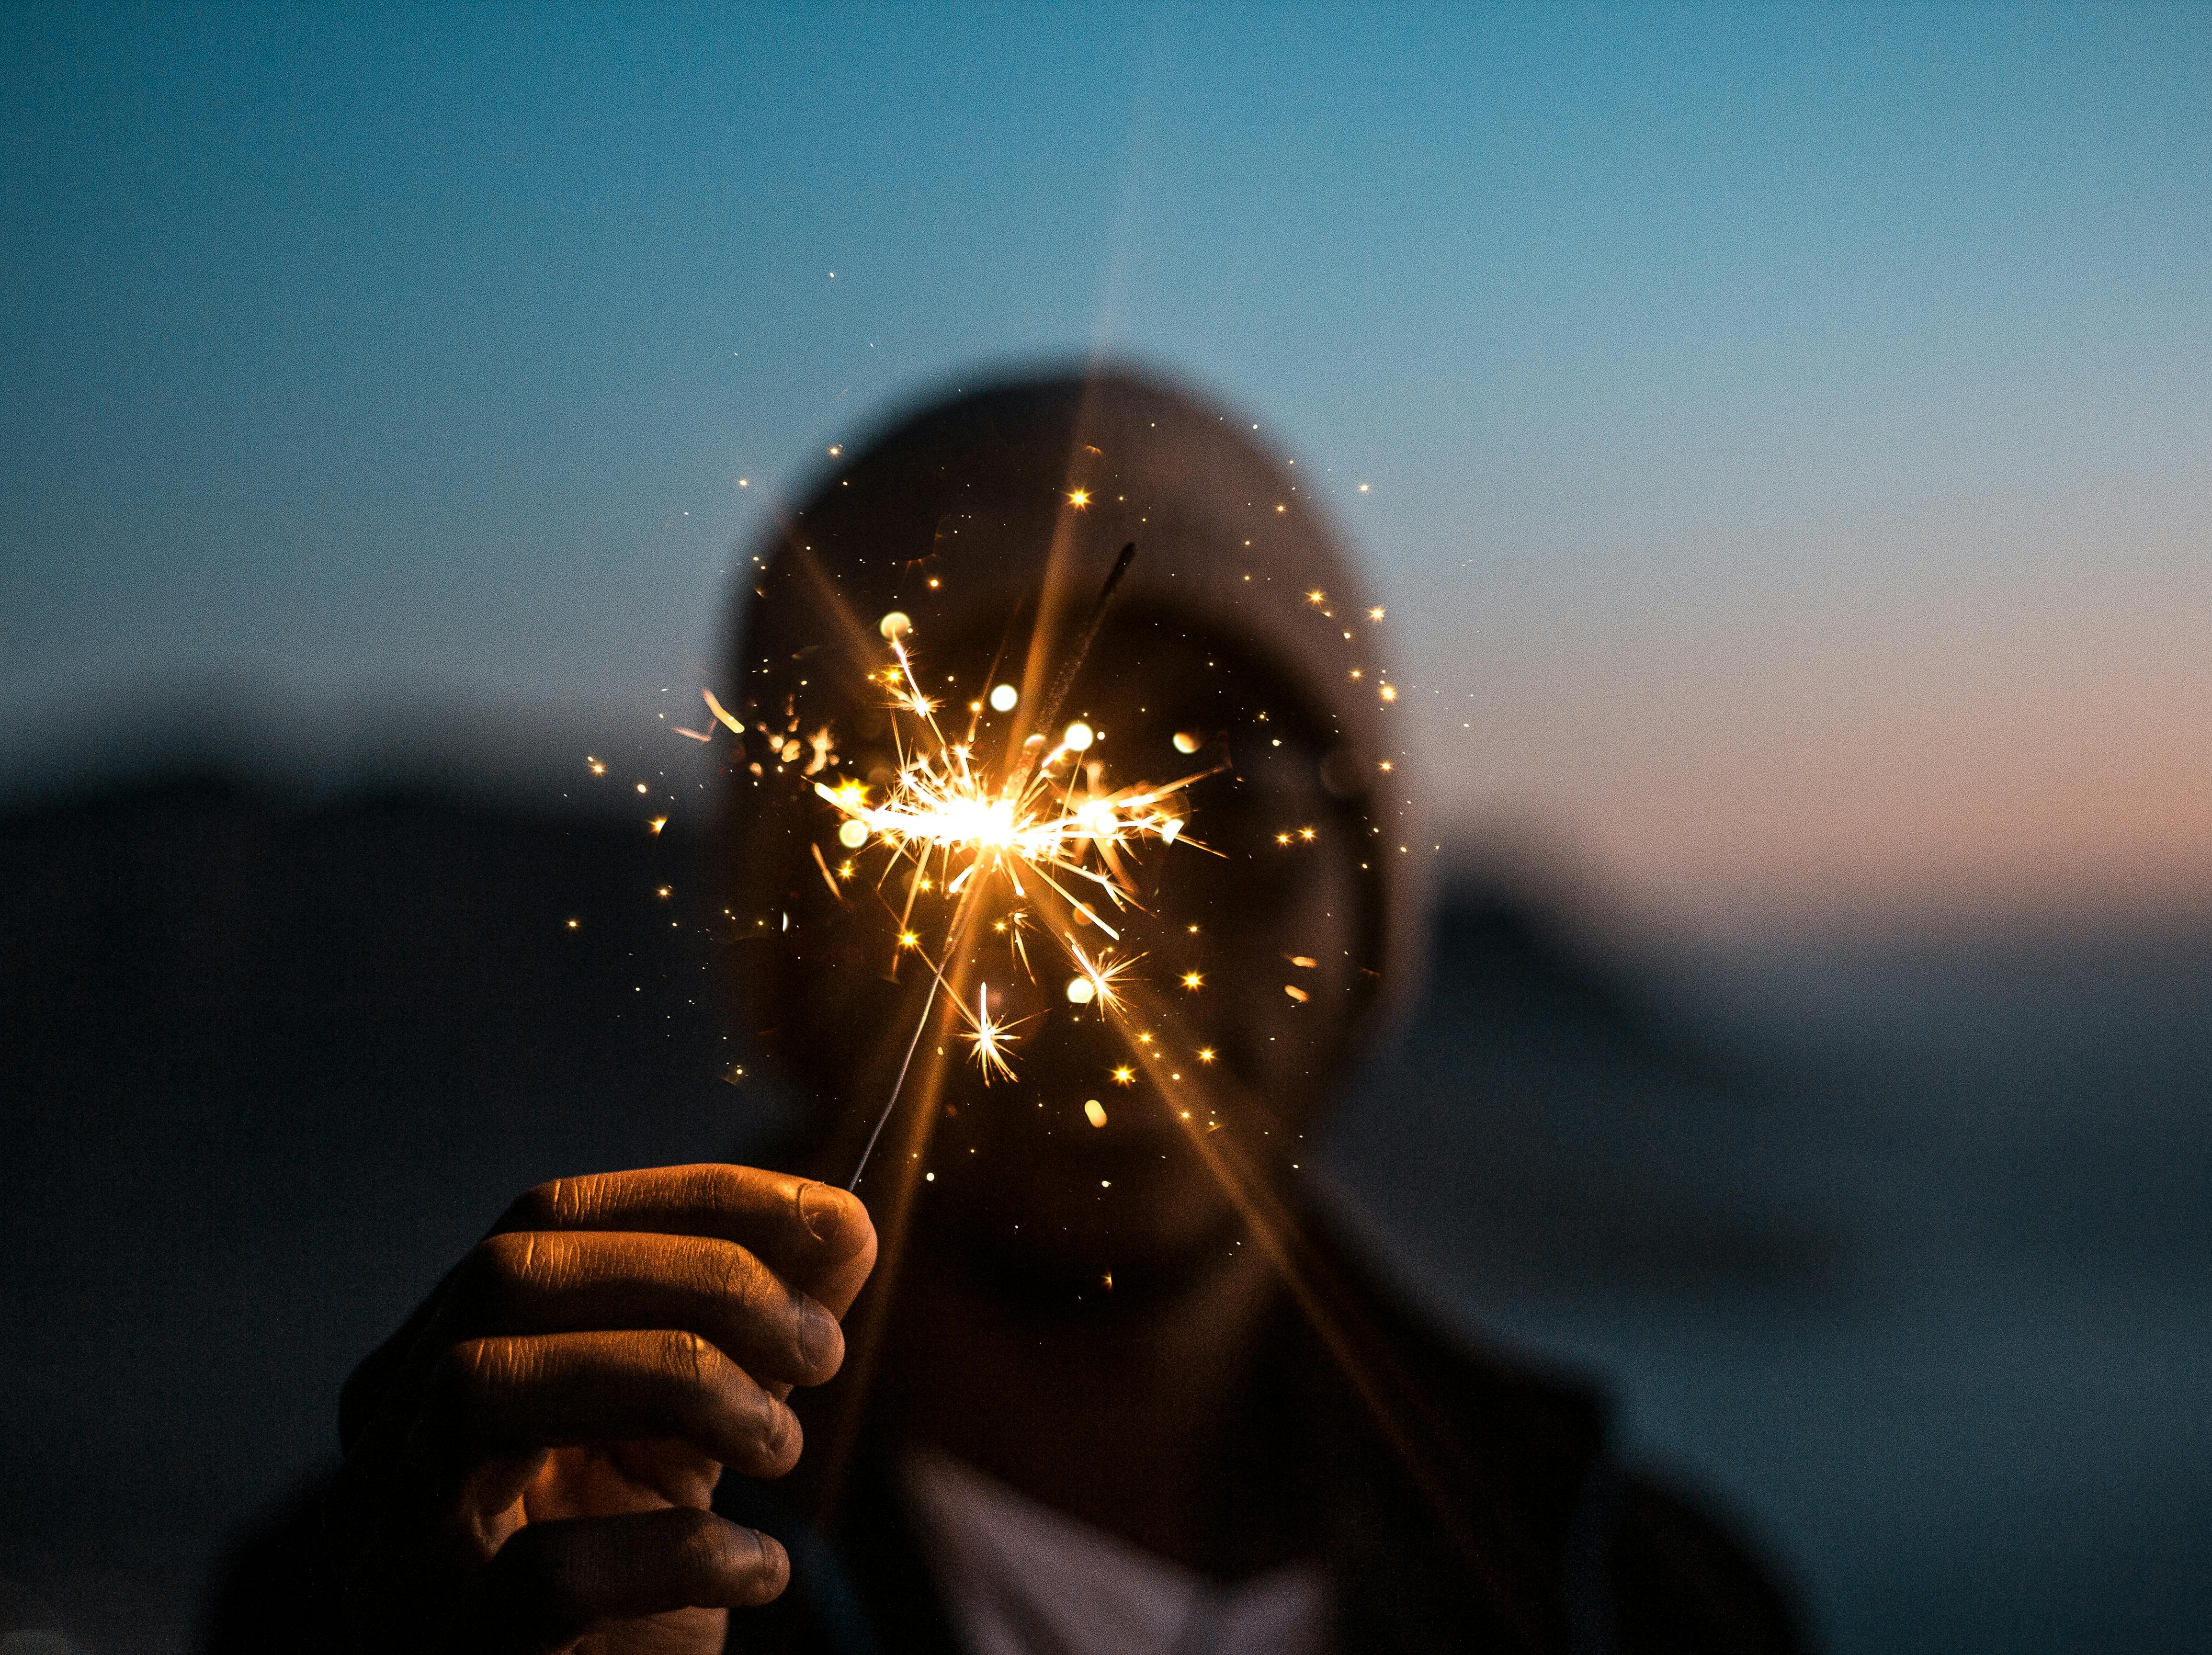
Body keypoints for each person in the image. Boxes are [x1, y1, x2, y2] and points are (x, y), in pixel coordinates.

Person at [213, 368, 1805, 1654]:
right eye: (945, 790)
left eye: (1223, 806)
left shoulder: (1660, 1606)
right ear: (789, 941)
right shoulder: (481, 1574)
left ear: (1372, 916)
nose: (1108, 936)